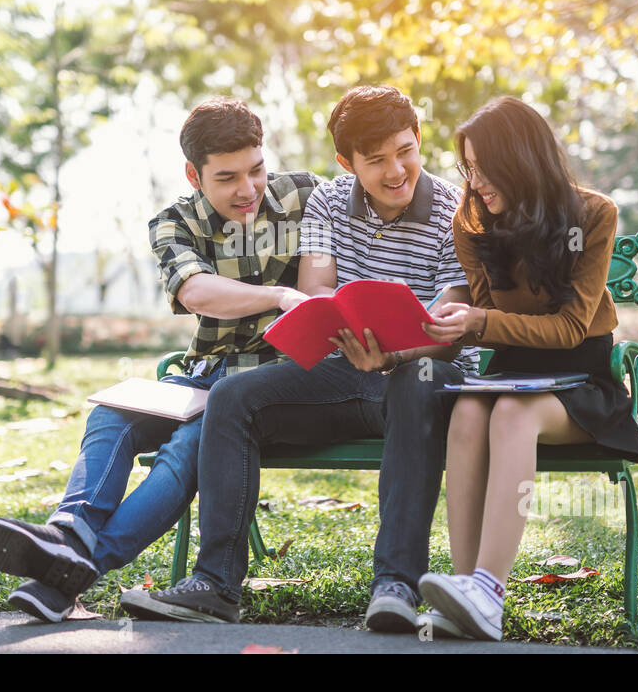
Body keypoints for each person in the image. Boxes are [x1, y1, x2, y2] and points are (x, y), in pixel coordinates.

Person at [120, 85, 481, 631]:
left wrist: (394, 353)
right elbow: (318, 296)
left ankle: (396, 585)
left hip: (424, 377)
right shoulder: (330, 202)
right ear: (346, 163)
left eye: (405, 151)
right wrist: (345, 333)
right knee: (234, 394)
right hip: (346, 367)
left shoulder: (456, 209)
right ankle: (215, 585)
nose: (396, 171)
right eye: (376, 160)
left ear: (419, 140)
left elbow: (450, 322)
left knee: (416, 376)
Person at [0, 97, 321, 621]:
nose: (247, 190)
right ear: (193, 174)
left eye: (256, 169)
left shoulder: (303, 195)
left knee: (186, 450)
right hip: (204, 375)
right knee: (110, 415)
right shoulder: (172, 223)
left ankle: (77, 563)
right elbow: (198, 292)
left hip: (266, 387)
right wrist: (279, 296)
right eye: (227, 178)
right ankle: (69, 530)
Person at [414, 96, 638, 641]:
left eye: (484, 168)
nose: (474, 182)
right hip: (512, 370)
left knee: (512, 416)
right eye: (466, 169)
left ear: (522, 158)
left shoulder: (593, 215)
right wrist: (455, 320)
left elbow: (568, 329)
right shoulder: (471, 225)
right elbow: (485, 311)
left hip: (581, 378)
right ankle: (464, 589)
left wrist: (479, 321)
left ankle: (488, 592)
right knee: (468, 410)